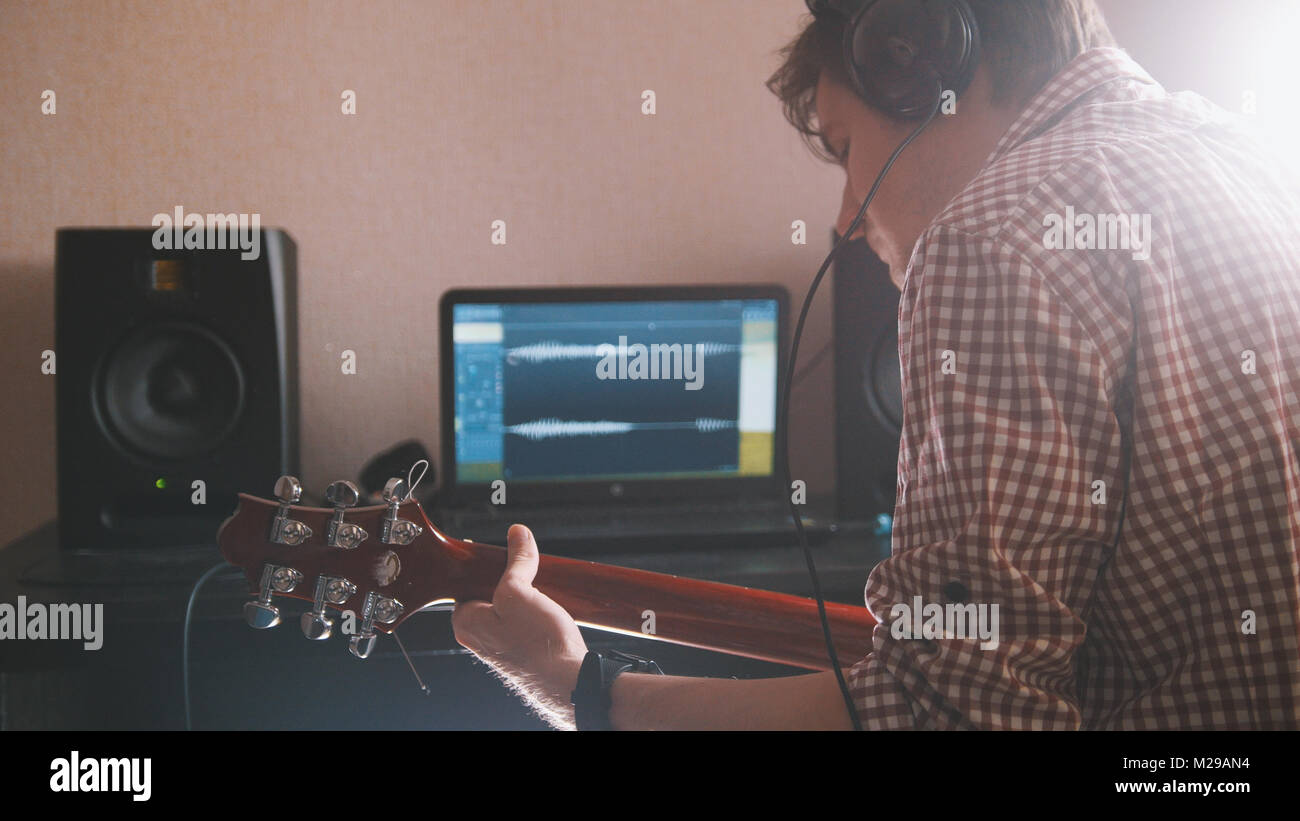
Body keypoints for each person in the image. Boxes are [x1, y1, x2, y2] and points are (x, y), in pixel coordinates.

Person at [451, 0, 1300, 730]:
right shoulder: (1256, 160)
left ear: (919, 68)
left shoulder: (991, 235)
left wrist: (578, 689)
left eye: (845, 144)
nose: (848, 219)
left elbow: (944, 716)